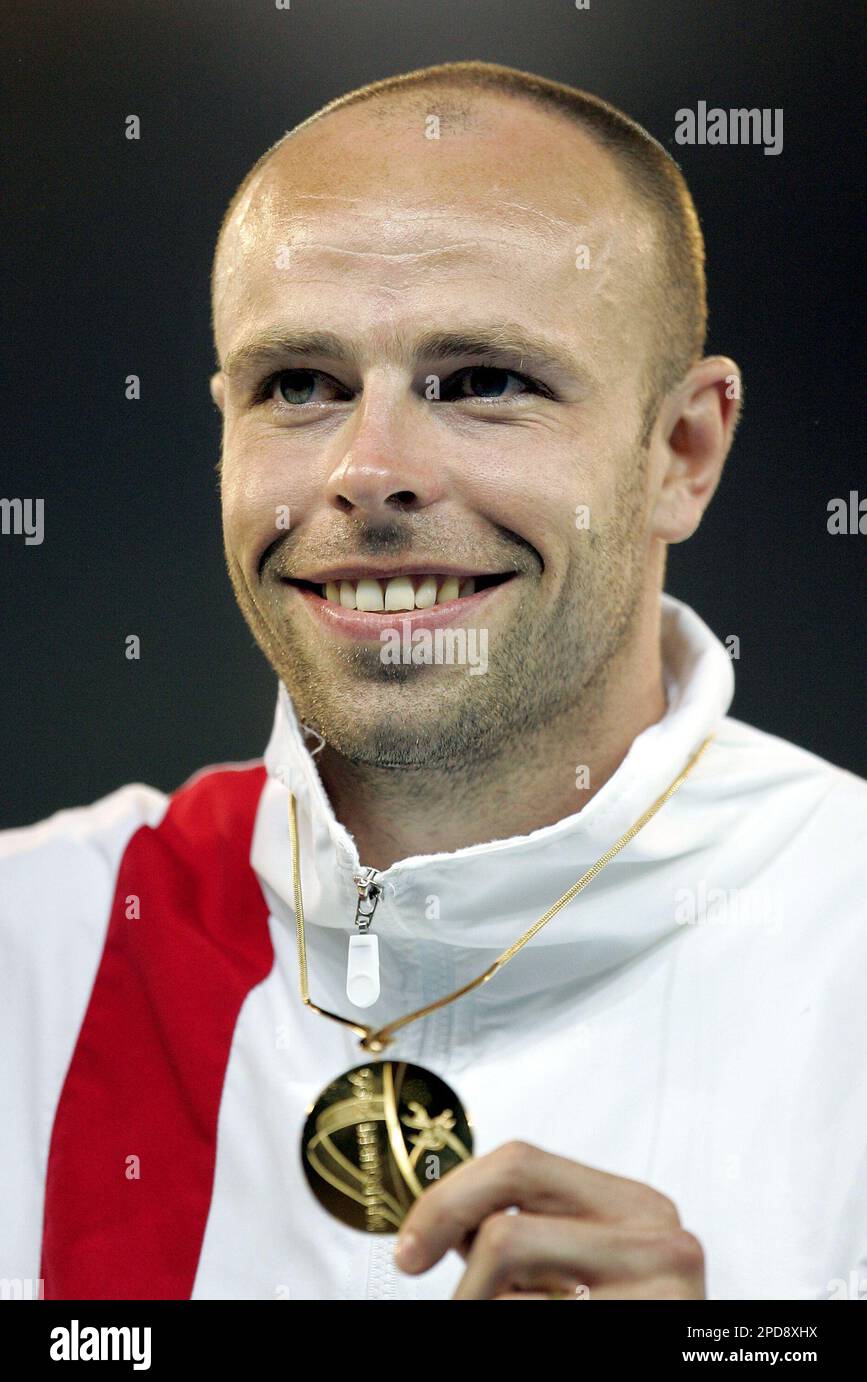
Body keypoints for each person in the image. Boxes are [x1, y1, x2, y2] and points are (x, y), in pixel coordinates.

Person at [2, 60, 865, 1303]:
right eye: (299, 385)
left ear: (684, 450)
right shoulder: (28, 950)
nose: (369, 470)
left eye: (482, 382)